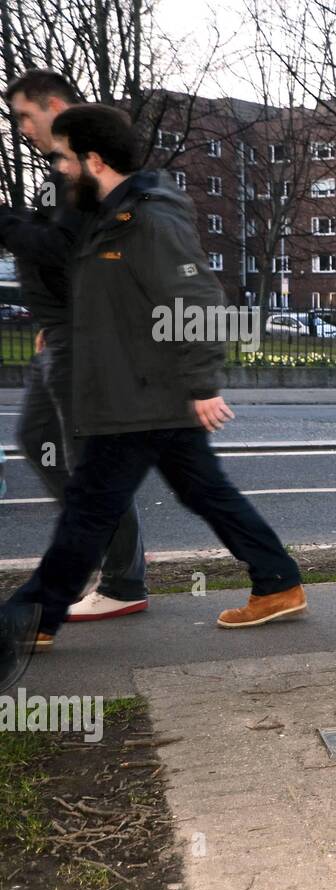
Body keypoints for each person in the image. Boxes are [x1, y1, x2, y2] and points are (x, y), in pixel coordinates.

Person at [0, 103, 306, 683]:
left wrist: (200, 384)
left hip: (138, 400)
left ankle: (26, 619)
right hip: (139, 396)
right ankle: (278, 580)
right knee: (206, 494)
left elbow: (199, 303)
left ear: (93, 160)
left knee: (88, 515)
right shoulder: (108, 218)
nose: (58, 170)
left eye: (64, 158)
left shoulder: (147, 221)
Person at [1, 70, 150, 620]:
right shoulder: (71, 169)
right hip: (67, 331)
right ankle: (117, 564)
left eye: (25, 116)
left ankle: (118, 580)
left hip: (84, 338)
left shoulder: (85, 168)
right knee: (45, 441)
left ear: (54, 105)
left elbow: (61, 245)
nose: (21, 129)